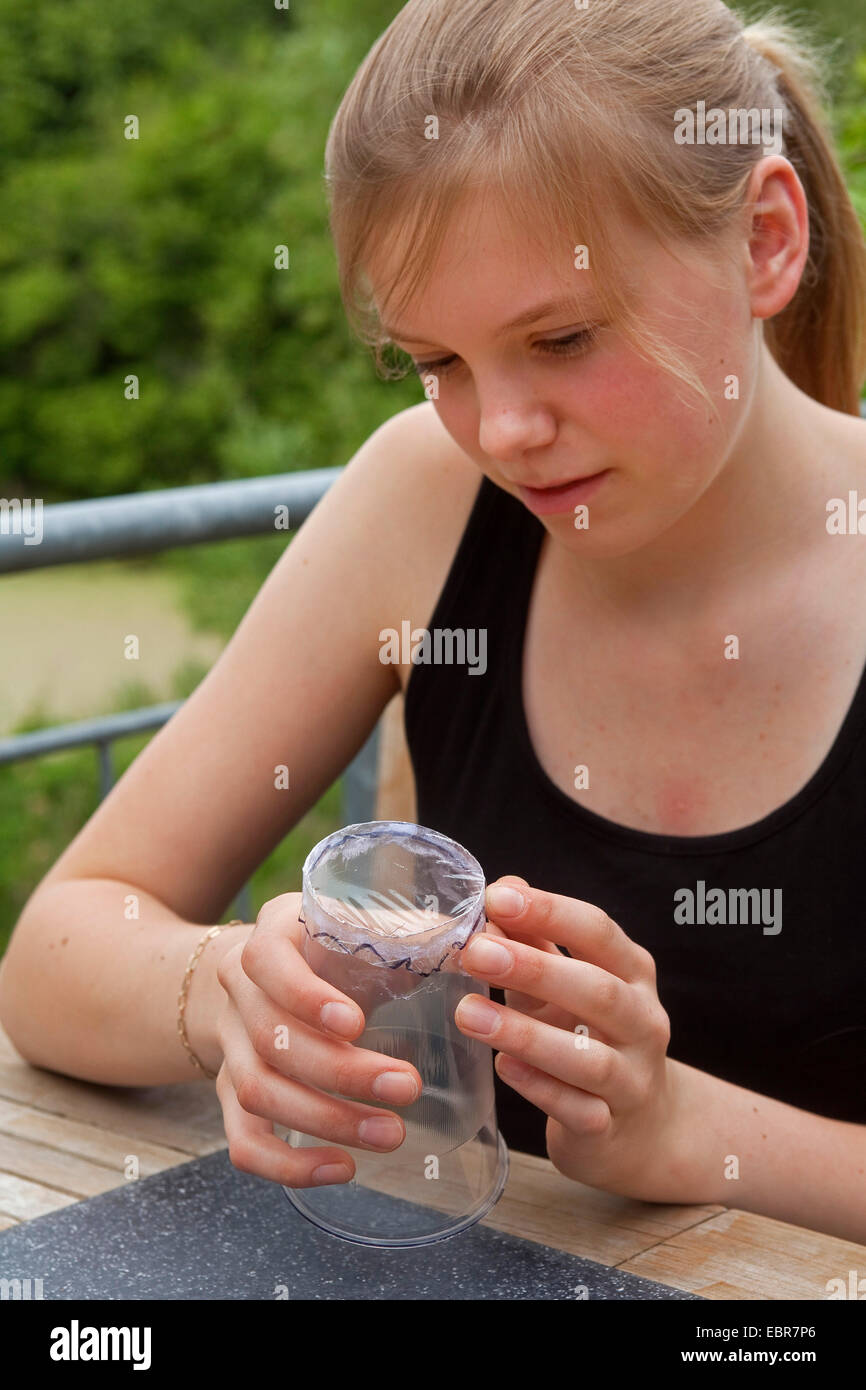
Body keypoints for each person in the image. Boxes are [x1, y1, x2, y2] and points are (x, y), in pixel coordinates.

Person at [1, 0, 865, 1243]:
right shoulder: (424, 495)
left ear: (765, 241)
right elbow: (58, 950)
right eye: (437, 362)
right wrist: (225, 989)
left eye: (560, 338)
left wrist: (683, 1128)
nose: (502, 431)